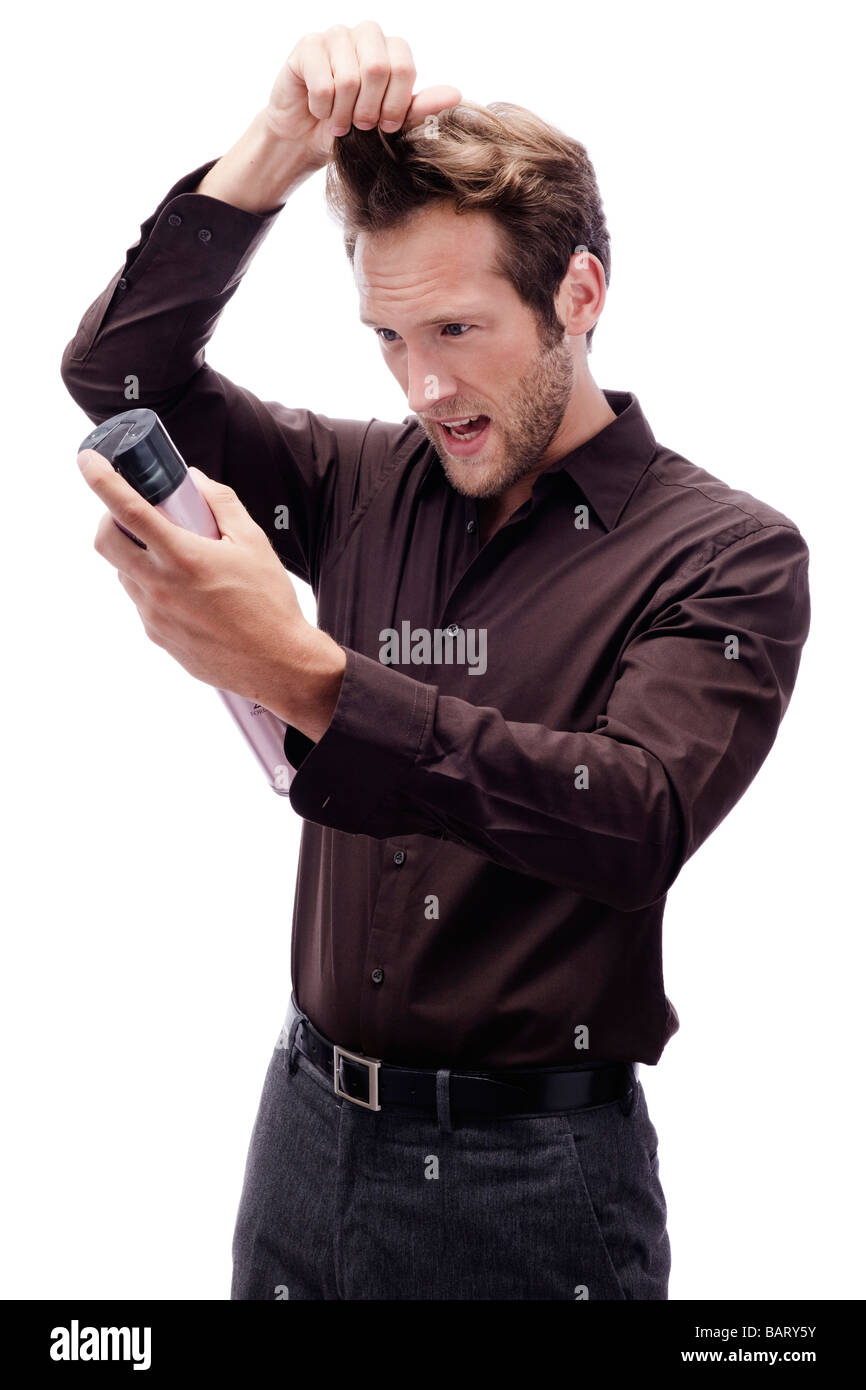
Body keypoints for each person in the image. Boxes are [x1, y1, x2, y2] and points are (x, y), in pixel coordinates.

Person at [62, 21, 811, 1300]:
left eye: (457, 329)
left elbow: (630, 816)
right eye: (389, 339)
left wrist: (306, 676)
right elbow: (119, 374)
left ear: (578, 294)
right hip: (302, 1129)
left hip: (536, 1182)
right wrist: (274, 152)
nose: (422, 386)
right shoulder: (358, 480)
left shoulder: (726, 554)